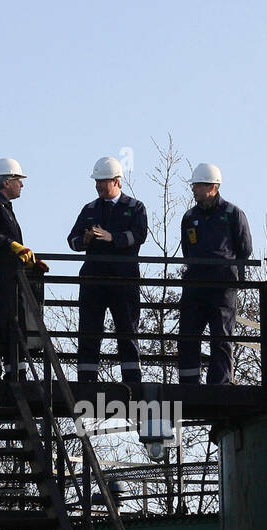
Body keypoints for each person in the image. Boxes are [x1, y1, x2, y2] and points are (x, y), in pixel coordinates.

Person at [66, 156, 148, 384]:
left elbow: (140, 235)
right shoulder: (90, 209)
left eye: (103, 181)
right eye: (97, 182)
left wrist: (114, 238)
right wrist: (85, 239)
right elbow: (71, 241)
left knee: (127, 330)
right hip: (93, 280)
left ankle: (132, 379)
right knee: (89, 331)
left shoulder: (134, 207)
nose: (99, 186)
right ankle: (86, 379)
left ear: (116, 181)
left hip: (124, 280)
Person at [0, 157, 47, 393]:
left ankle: (16, 380)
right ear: (6, 182)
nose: (22, 185)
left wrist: (31, 263)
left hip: (5, 279)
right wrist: (14, 246)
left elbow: (8, 248)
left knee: (14, 325)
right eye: (19, 180)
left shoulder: (5, 209)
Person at [177, 162, 252, 385]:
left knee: (221, 337)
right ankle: (189, 383)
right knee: (188, 335)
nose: (193, 189)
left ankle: (220, 383)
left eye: (197, 185)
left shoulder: (232, 214)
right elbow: (187, 249)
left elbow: (245, 248)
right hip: (195, 285)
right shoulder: (190, 217)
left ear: (212, 187)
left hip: (222, 286)